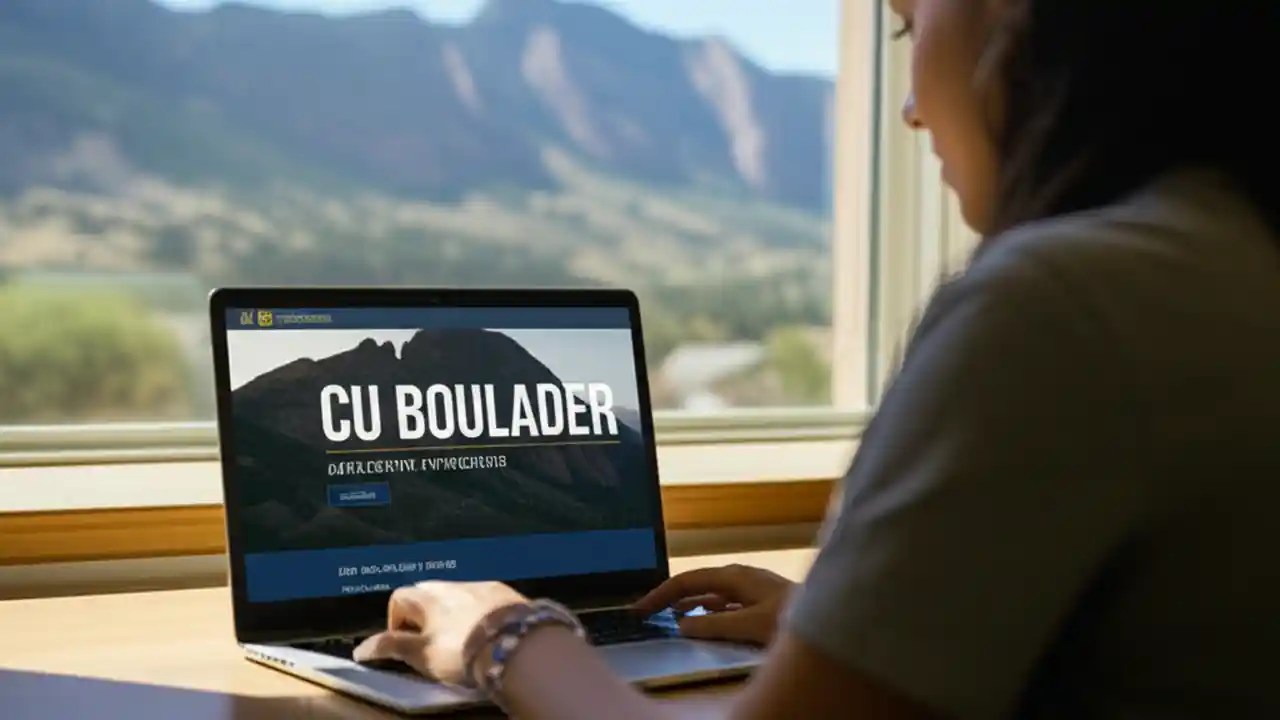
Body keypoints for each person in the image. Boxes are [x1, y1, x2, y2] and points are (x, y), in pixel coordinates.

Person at [354, 0, 1280, 717]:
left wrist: (506, 638)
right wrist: (846, 627)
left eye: (910, 26)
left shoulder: (1061, 306)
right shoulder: (1228, 261)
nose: (912, 108)